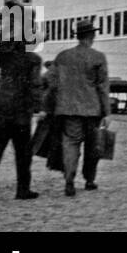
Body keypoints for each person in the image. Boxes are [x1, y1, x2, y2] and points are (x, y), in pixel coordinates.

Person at [0, 3, 44, 203]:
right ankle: (23, 189)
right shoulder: (33, 60)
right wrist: (39, 108)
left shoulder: (3, 56)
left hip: (0, 107)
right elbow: (35, 86)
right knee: (23, 153)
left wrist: (6, 16)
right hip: (21, 111)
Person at [49, 19, 110, 196]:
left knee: (71, 144)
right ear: (92, 36)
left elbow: (51, 82)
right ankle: (89, 180)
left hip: (68, 109)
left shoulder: (63, 56)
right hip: (92, 109)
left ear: (78, 36)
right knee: (93, 146)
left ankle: (69, 180)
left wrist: (50, 106)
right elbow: (102, 87)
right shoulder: (98, 57)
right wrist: (107, 112)